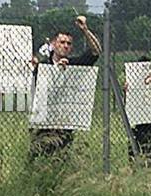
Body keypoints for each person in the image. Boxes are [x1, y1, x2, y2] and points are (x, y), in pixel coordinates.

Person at [28, 16, 101, 160]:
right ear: (53, 44)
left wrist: (85, 30)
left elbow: (96, 52)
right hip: (43, 123)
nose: (65, 46)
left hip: (65, 123)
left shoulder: (74, 65)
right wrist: (55, 73)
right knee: (38, 158)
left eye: (69, 43)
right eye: (62, 42)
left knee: (62, 159)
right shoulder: (43, 66)